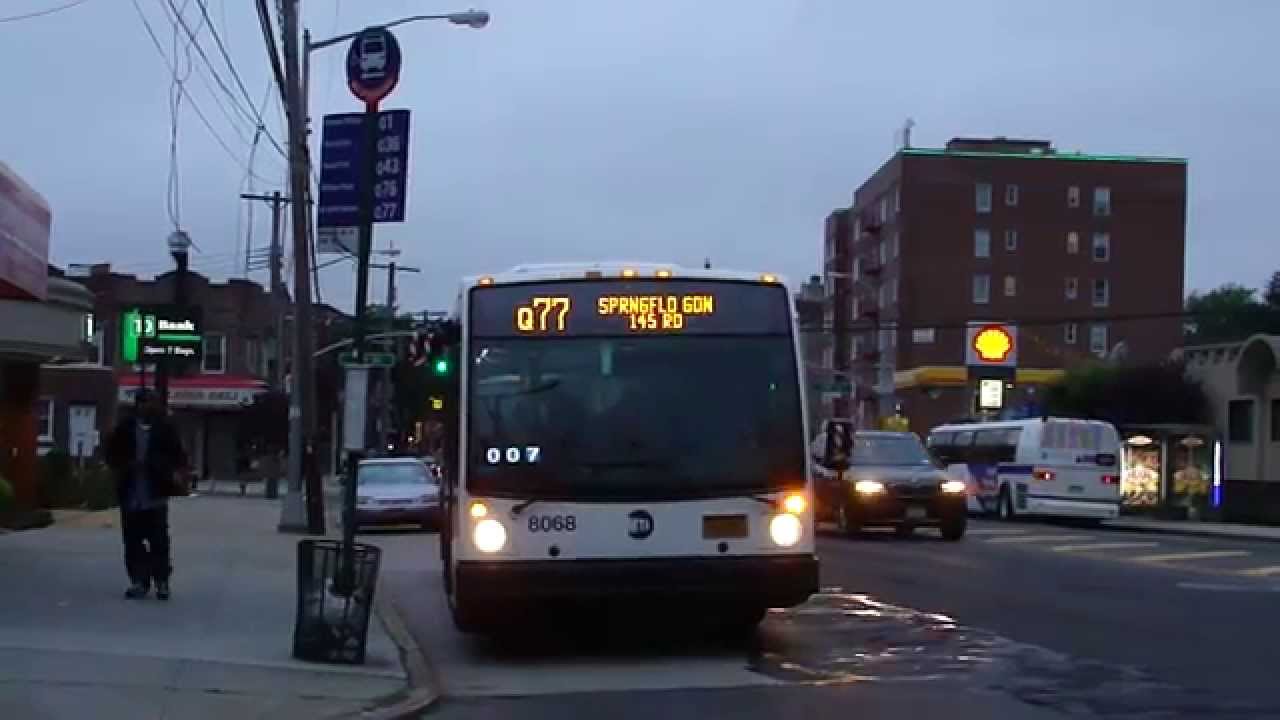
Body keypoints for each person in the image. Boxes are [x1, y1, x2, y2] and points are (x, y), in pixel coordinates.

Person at [105, 390, 188, 601]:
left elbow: (178, 456)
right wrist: (126, 466)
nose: (145, 408)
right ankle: (139, 580)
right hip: (131, 493)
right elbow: (111, 454)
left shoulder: (165, 429)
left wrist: (164, 470)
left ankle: (161, 581)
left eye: (149, 403)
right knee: (132, 541)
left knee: (159, 540)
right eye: (141, 403)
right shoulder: (125, 429)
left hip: (156, 493)